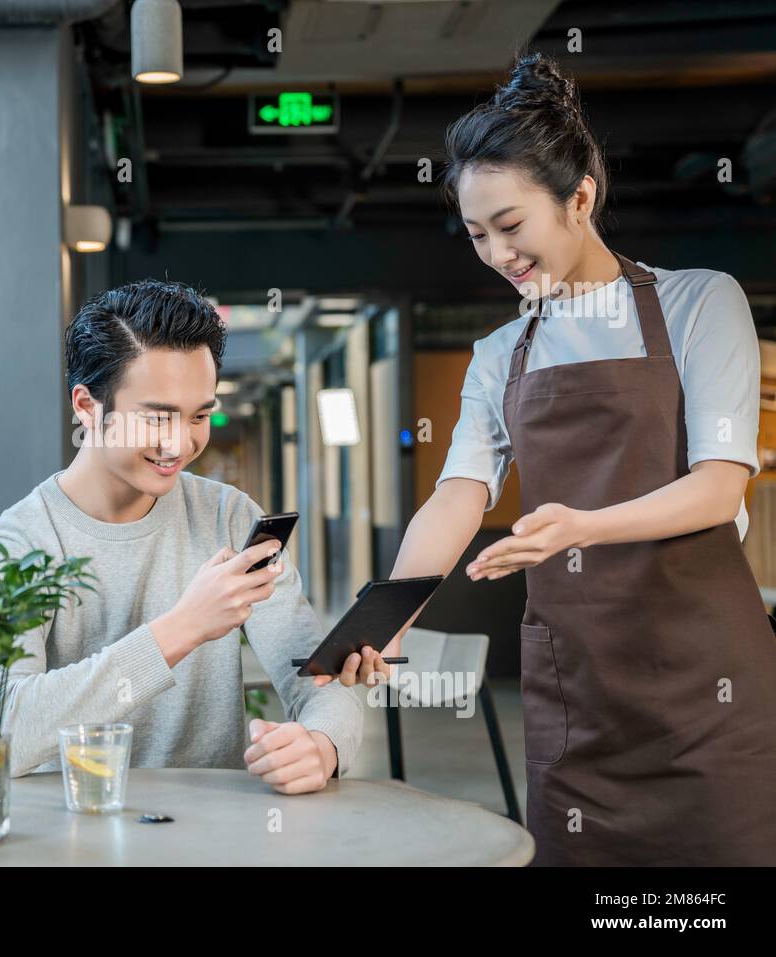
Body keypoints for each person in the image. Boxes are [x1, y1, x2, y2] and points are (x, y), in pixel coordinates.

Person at [317, 51, 776, 865]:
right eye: (476, 234)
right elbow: (457, 496)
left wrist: (582, 527)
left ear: (581, 198)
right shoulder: (499, 352)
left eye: (512, 225)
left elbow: (716, 487)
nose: (497, 253)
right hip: (580, 691)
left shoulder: (700, 301)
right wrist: (383, 619)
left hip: (710, 683)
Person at [0, 279, 381, 792]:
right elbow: (2, 733)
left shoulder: (229, 517)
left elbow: (314, 676)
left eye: (200, 415)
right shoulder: (16, 545)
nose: (180, 443)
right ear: (87, 406)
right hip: (72, 833)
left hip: (215, 827)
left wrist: (322, 743)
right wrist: (182, 628)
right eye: (157, 416)